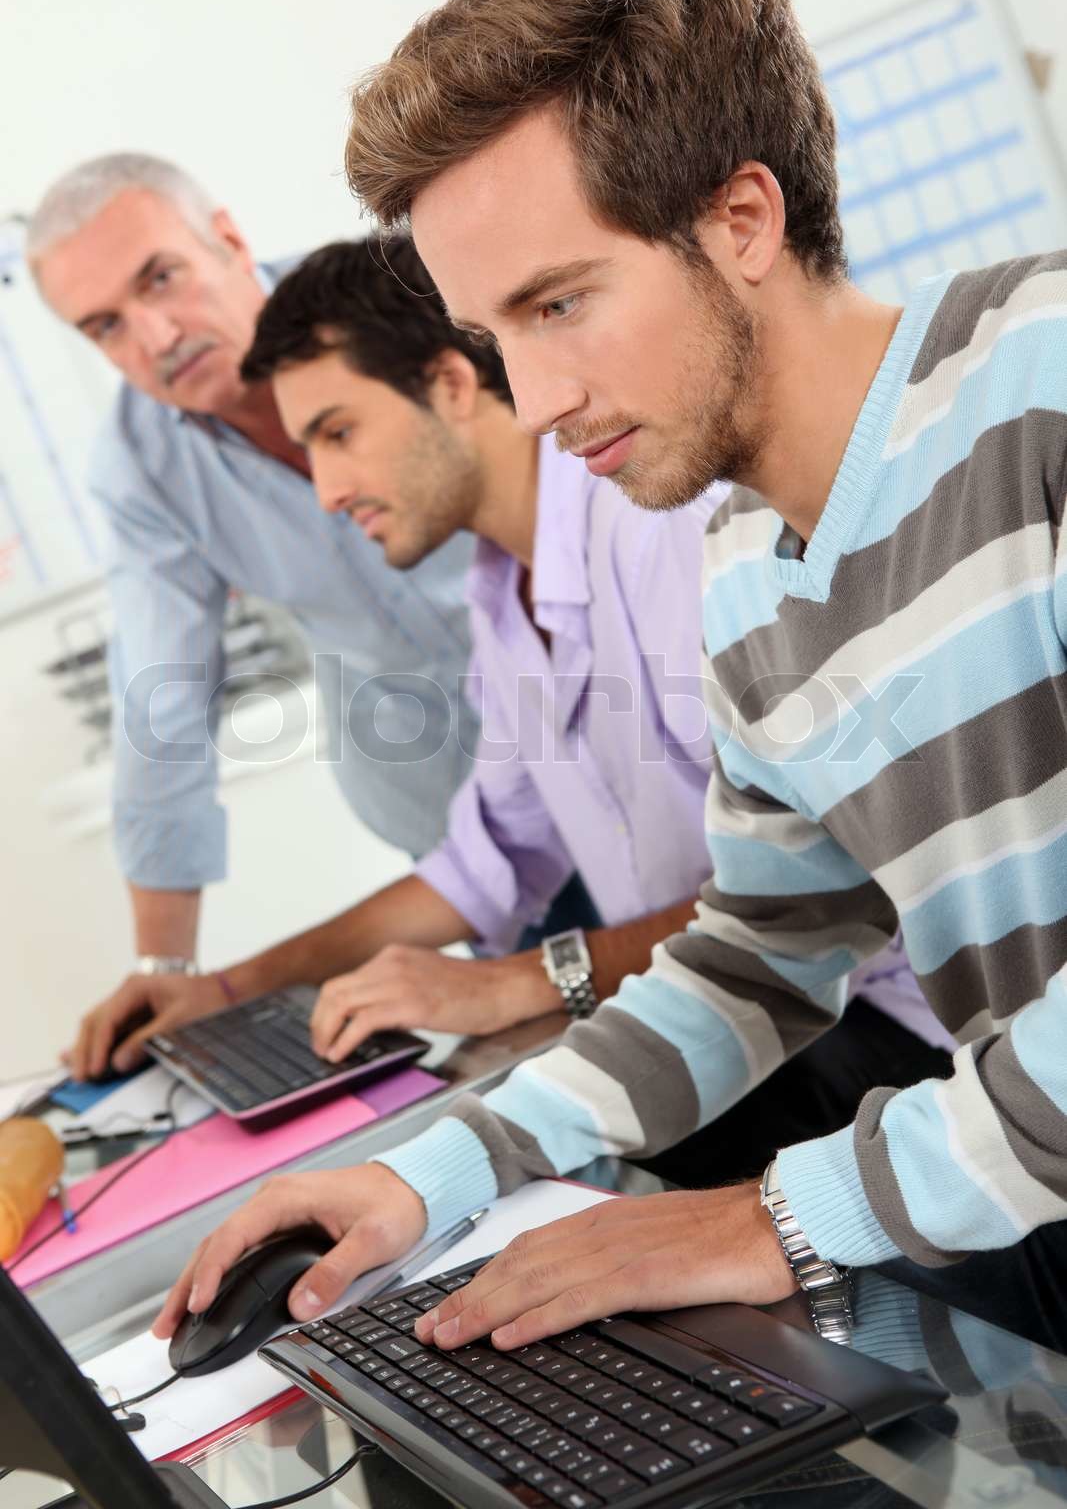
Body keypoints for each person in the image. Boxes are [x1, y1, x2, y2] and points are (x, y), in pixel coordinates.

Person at [156, 0, 1067, 1353]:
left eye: (559, 303)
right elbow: (759, 956)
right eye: (497, 334)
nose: (529, 399)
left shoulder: (1042, 388)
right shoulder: (745, 564)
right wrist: (429, 1174)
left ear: (739, 222)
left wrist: (767, 1216)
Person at [73, 235, 947, 1087]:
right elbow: (485, 861)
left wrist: (523, 981)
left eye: (338, 434)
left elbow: (835, 875)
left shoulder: (665, 536)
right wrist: (224, 990)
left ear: (451, 385)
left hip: (885, 1029)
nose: (327, 493)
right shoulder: (501, 605)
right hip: (745, 1016)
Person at [28, 155, 477, 1077]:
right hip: (440, 799)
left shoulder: (397, 298)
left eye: (161, 278)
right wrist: (166, 968)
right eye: (105, 326)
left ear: (227, 239)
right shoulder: (140, 467)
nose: (153, 337)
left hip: (613, 715)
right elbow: (162, 703)